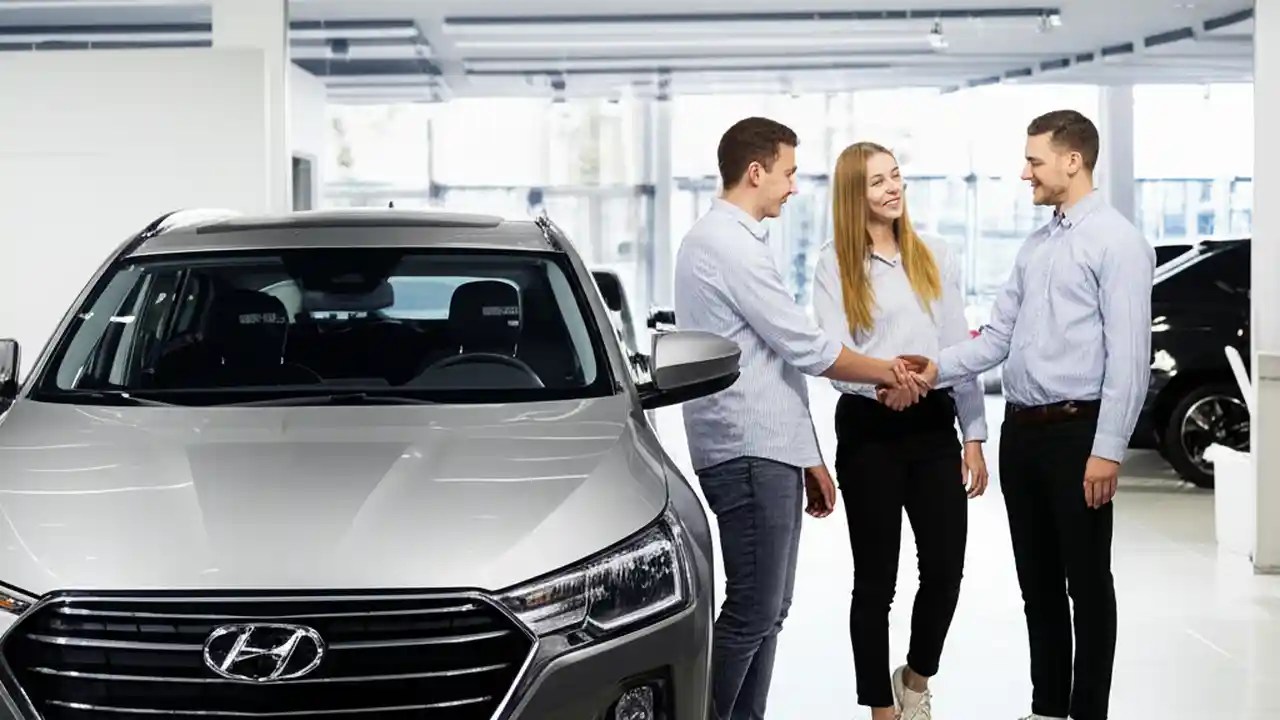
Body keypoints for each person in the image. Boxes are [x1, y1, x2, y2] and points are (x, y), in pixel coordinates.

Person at [673, 117, 926, 720]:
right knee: (754, 609)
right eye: (787, 172)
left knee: (770, 609)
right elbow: (805, 348)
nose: (791, 186)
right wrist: (891, 371)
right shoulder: (725, 244)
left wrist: (807, 454)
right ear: (755, 171)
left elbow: (774, 364)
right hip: (747, 446)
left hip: (771, 446)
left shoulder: (738, 241)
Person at [933, 109, 1154, 720]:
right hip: (1023, 435)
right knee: (1037, 586)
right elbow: (995, 337)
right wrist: (928, 369)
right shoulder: (1036, 246)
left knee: (1087, 586)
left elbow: (1130, 358)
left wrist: (1108, 448)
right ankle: (1048, 708)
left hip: (1078, 436)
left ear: (1072, 161)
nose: (1025, 172)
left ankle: (1087, 712)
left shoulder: (1117, 242)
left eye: (1034, 160)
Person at [810, 141, 989, 720]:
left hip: (934, 426)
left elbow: (959, 348)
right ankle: (882, 710)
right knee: (876, 581)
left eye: (896, 177)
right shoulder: (832, 263)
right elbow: (833, 353)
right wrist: (883, 386)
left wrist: (976, 436)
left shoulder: (935, 254)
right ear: (852, 195)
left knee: (944, 568)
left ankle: (915, 677)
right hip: (868, 432)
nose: (892, 189)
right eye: (877, 182)